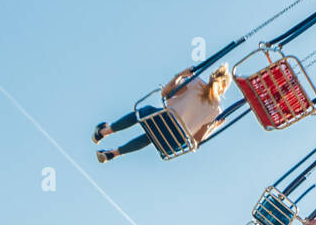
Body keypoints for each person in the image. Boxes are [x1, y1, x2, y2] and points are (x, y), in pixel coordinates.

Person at [93, 65, 231, 162]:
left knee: (143, 114)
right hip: (174, 141)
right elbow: (197, 139)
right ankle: (113, 154)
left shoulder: (196, 82)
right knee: (152, 136)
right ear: (224, 89)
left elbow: (165, 93)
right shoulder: (216, 111)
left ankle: (105, 131)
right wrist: (214, 126)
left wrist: (180, 75)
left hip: (164, 120)